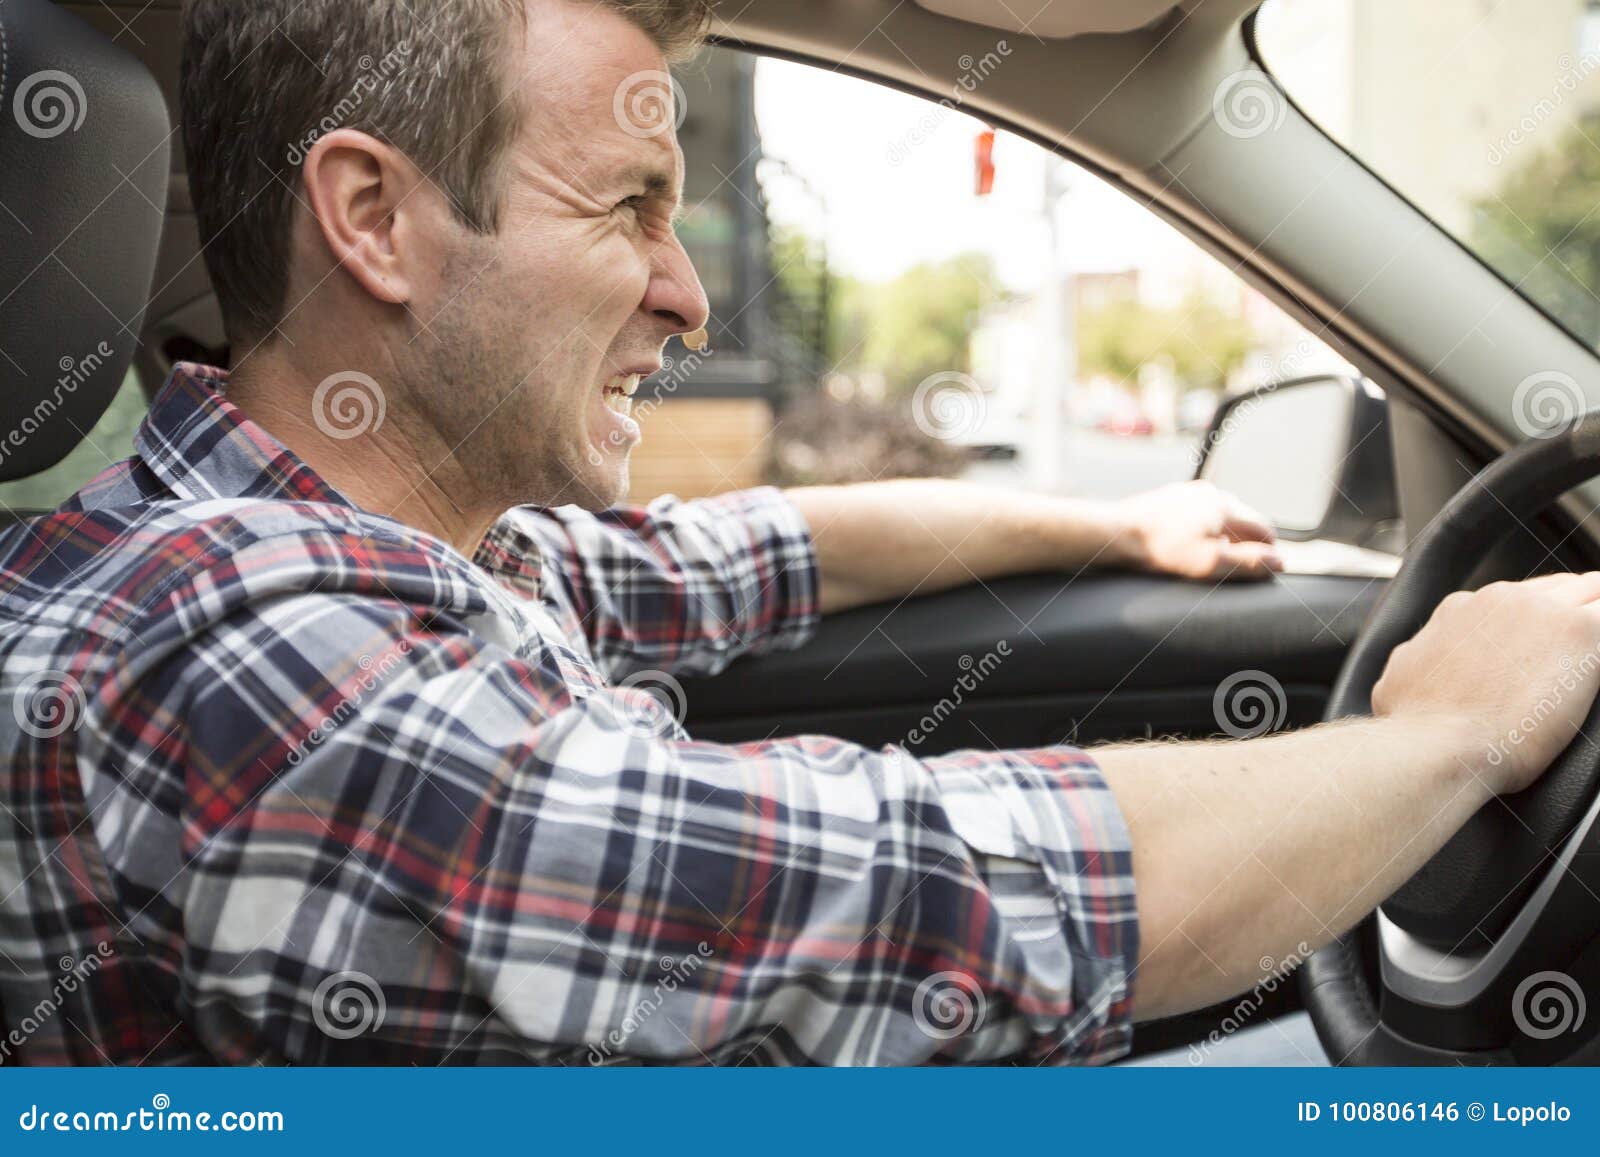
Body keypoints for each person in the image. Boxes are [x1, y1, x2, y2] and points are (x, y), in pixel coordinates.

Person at [1, 0, 1596, 1066]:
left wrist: (1122, 521)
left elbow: (766, 549)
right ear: (371, 219)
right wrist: (1458, 728)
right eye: (624, 209)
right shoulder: (247, 649)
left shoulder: (384, 547)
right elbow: (923, 900)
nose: (687, 292)